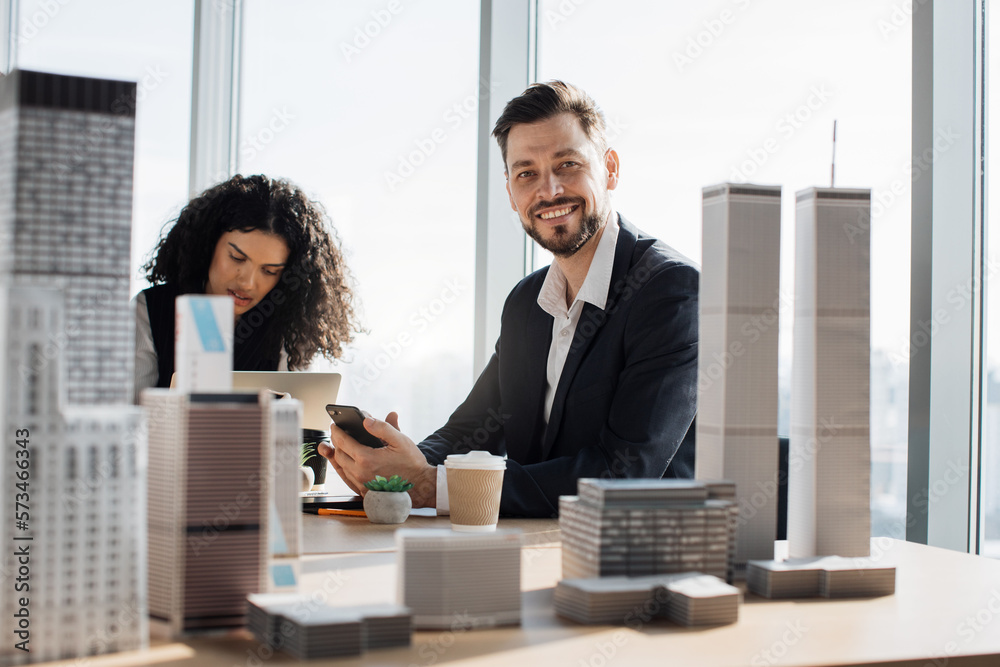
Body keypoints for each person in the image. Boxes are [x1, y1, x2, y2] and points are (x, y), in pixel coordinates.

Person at [321, 81, 698, 517]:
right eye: (527, 173)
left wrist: (429, 485)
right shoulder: (526, 303)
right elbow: (472, 430)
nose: (550, 190)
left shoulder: (670, 292)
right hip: (540, 542)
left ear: (610, 168)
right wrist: (394, 470)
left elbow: (623, 474)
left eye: (568, 164)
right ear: (510, 193)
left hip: (639, 555)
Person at [133, 174, 358, 399]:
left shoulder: (289, 325)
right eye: (237, 258)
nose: (248, 283)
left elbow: (301, 418)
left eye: (269, 271)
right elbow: (129, 415)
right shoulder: (150, 310)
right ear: (208, 244)